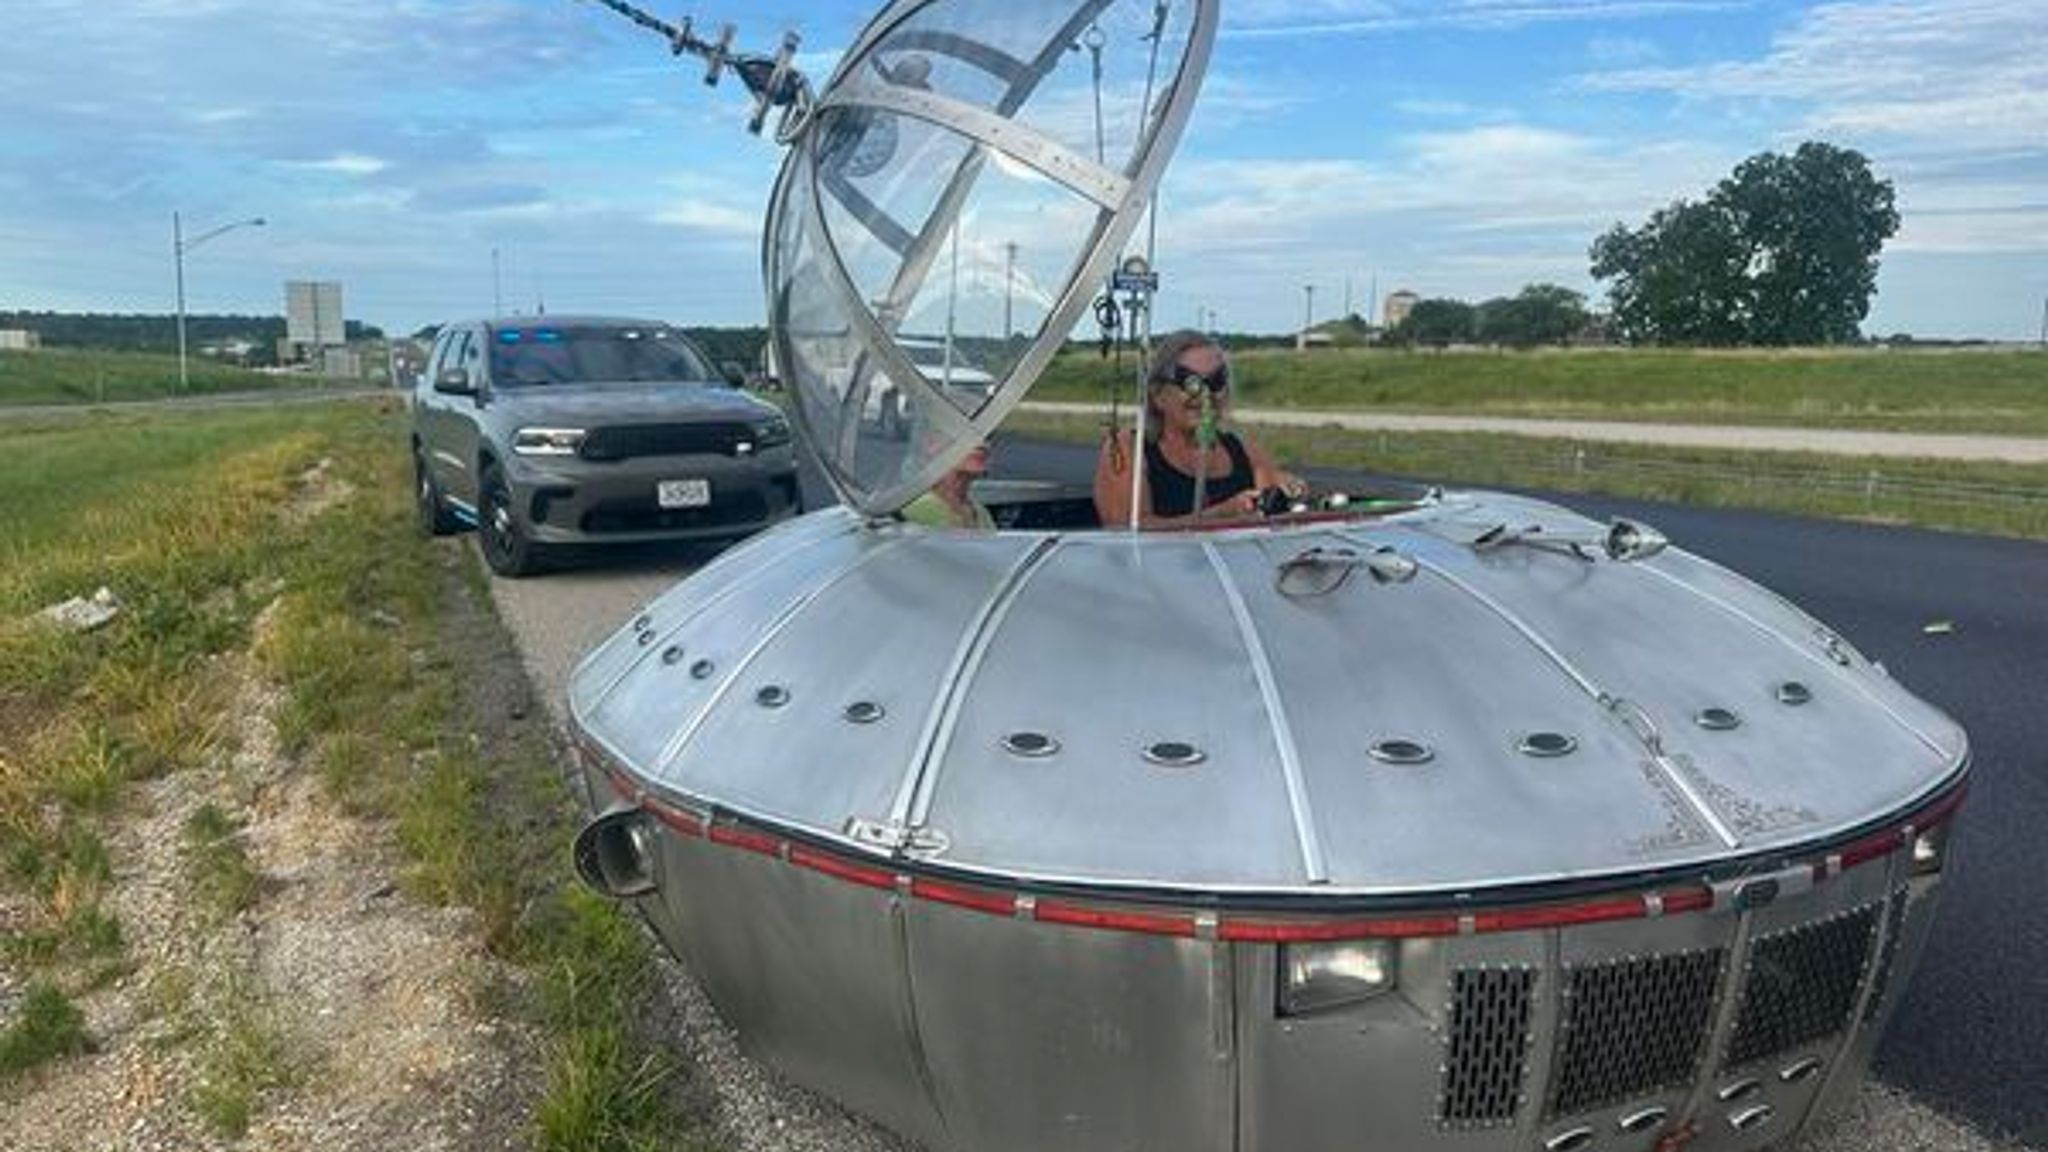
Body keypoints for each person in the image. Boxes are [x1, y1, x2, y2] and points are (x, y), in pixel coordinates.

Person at [1093, 330, 1306, 529]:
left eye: (1216, 382)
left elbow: (1273, 522)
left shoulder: (1246, 453)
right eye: (1190, 384)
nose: (1205, 396)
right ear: (1157, 395)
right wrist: (1222, 515)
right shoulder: (1128, 449)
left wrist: (1287, 492)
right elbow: (1125, 531)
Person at [903, 440, 994, 530]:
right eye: (965, 434)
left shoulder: (981, 512)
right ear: (932, 447)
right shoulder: (917, 509)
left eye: (987, 438)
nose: (984, 445)